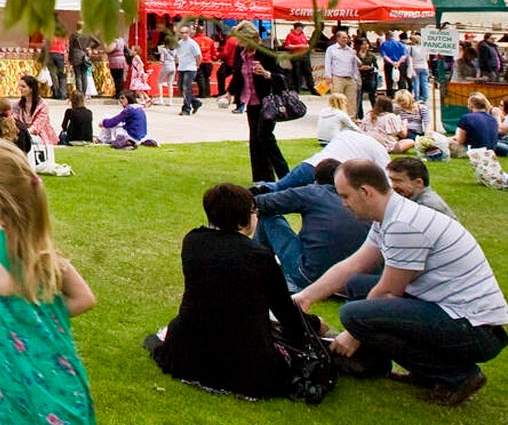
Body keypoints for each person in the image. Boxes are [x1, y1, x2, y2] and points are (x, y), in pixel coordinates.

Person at [293, 160, 508, 406]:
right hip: (456, 314)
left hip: (475, 330)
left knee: (356, 314)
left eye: (345, 196)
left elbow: (387, 292)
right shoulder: (390, 215)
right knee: (357, 286)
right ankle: (375, 363)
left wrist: (352, 334)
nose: (343, 203)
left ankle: (459, 376)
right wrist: (305, 296)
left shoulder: (403, 225)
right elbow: (354, 265)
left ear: (366, 192)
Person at [0, 138, 97, 425]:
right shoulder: (41, 250)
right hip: (67, 392)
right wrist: (26, 318)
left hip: (32, 402)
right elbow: (83, 298)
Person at [147, 182, 318, 400]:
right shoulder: (259, 256)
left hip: (188, 347)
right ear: (245, 217)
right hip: (246, 358)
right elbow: (284, 309)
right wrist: (310, 328)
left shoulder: (193, 241)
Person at [254, 158, 370, 291]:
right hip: (355, 280)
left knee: (267, 215)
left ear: (316, 180)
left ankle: (252, 265)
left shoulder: (314, 193)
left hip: (311, 276)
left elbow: (261, 203)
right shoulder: (362, 199)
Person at [230, 20, 288, 182]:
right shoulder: (241, 54)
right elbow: (237, 76)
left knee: (265, 137)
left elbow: (282, 78)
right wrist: (229, 93)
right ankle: (262, 178)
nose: (241, 44)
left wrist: (267, 74)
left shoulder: (266, 54)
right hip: (251, 102)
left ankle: (284, 174)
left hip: (268, 102)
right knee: (255, 140)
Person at [261, 123, 391, 192]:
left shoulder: (347, 134)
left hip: (309, 164)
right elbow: (387, 180)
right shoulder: (379, 149)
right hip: (332, 175)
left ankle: (257, 192)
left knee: (280, 187)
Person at [387, 156, 457, 219]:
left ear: (419, 182)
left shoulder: (428, 207)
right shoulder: (411, 199)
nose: (393, 186)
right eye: (392, 180)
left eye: (398, 181)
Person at [11, 75, 55, 158]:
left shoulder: (43, 105)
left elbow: (37, 126)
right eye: (19, 86)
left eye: (23, 86)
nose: (20, 89)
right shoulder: (17, 105)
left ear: (31, 89)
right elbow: (14, 120)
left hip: (40, 135)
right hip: (23, 134)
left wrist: (24, 133)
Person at [324, 27, 361, 116]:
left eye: (346, 38)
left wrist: (356, 78)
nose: (345, 39)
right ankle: (336, 116)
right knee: (337, 99)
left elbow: (356, 64)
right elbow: (328, 63)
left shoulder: (350, 50)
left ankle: (351, 118)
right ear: (338, 38)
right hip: (337, 77)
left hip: (350, 78)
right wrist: (328, 76)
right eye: (343, 38)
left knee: (351, 100)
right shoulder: (331, 49)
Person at [449, 92, 500, 156]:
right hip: (491, 151)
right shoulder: (493, 119)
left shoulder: (466, 118)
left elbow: (460, 140)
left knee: (446, 142)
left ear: (471, 106)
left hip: (473, 151)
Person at [173, 27, 201, 115]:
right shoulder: (179, 43)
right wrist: (177, 61)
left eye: (185, 32)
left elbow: (198, 56)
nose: (183, 34)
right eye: (181, 32)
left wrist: (197, 65)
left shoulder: (193, 44)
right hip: (181, 67)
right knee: (181, 87)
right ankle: (195, 102)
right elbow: (176, 54)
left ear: (189, 33)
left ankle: (186, 108)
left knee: (187, 88)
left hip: (190, 68)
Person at [282, 22, 313, 93]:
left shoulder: (303, 35)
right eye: (302, 27)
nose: (303, 29)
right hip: (296, 56)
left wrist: (307, 46)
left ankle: (311, 87)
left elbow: (306, 44)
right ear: (298, 27)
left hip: (304, 55)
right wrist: (300, 46)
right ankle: (297, 88)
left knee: (308, 72)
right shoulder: (290, 35)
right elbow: (287, 46)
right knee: (297, 73)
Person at [43, 29, 69, 100]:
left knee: (52, 74)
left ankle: (56, 92)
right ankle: (63, 94)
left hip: (51, 53)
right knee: (61, 75)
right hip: (60, 54)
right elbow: (67, 45)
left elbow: (45, 44)